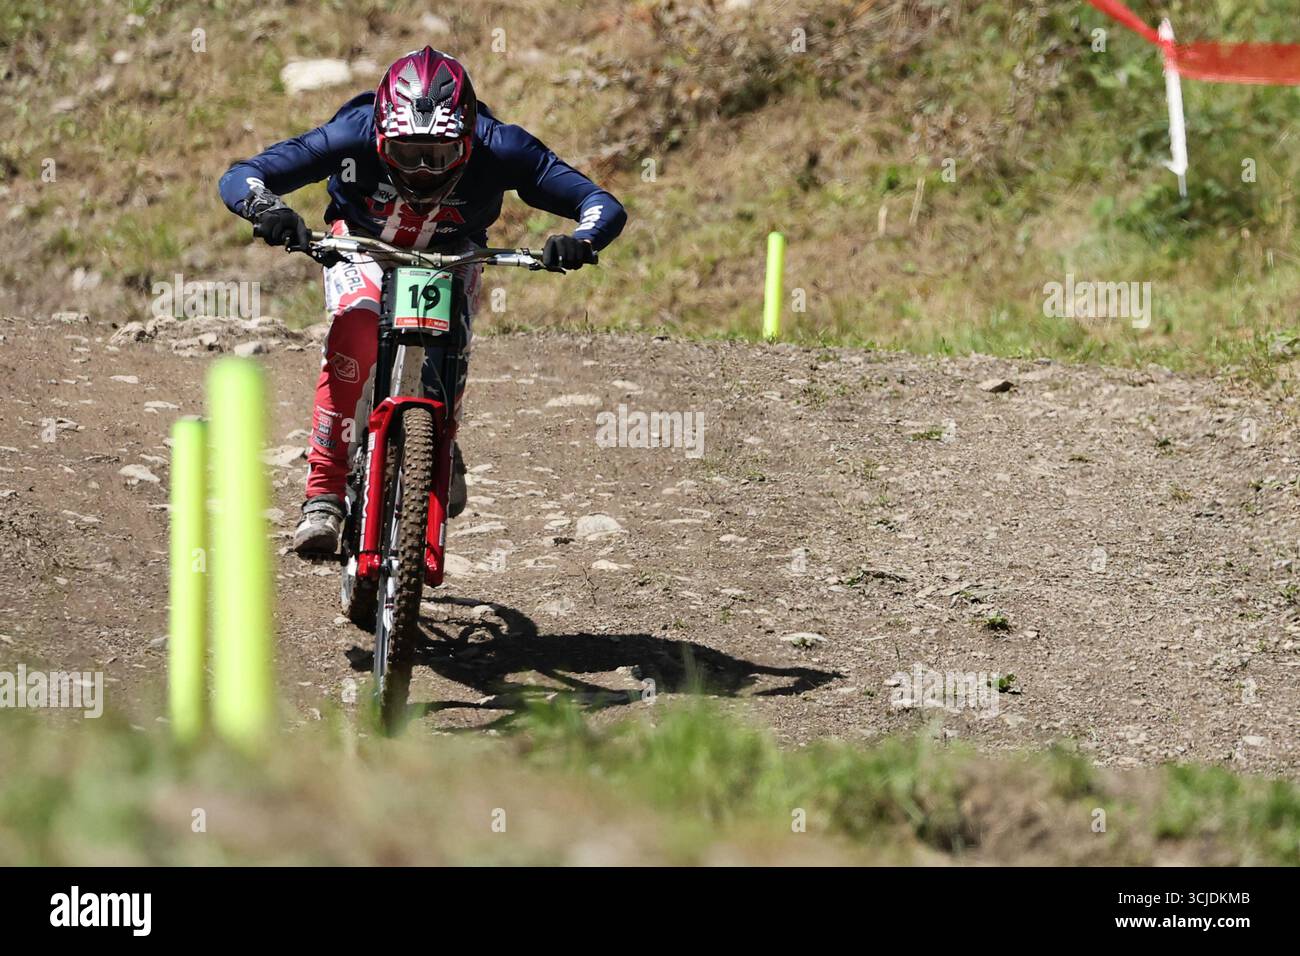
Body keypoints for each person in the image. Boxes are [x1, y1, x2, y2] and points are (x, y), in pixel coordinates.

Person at [217, 47, 626, 555]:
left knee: (450, 347)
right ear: (381, 138)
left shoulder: (503, 147)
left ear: (469, 138)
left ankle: (440, 440)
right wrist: (267, 209)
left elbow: (599, 203)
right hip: (363, 244)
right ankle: (323, 493)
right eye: (407, 154)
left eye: (442, 155)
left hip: (453, 253)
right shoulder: (352, 134)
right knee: (356, 333)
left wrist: (581, 240)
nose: (425, 171)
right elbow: (244, 174)